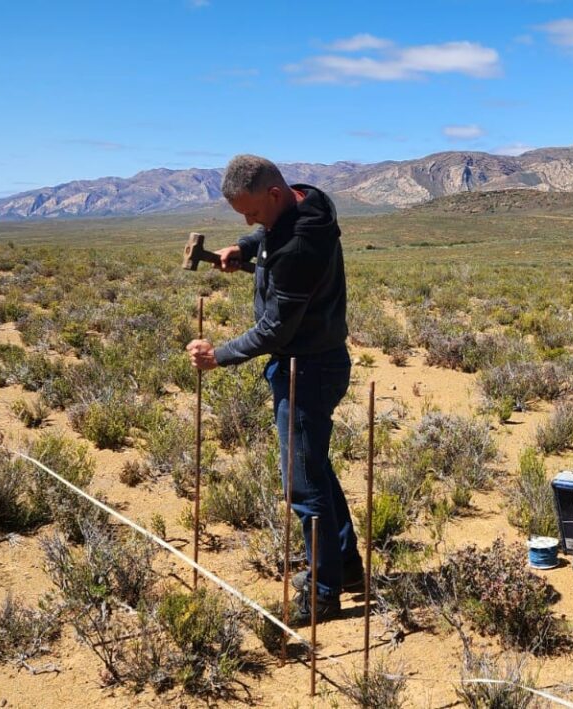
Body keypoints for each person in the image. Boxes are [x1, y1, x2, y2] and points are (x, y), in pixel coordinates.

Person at [186, 154, 360, 626]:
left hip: (307, 368)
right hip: (313, 361)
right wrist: (243, 247)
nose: (249, 220)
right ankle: (344, 566)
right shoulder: (308, 201)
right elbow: (270, 237)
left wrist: (216, 355)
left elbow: (273, 331)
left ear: (276, 194)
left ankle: (323, 593)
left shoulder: (300, 247)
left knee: (303, 484)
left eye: (253, 212)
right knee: (315, 469)